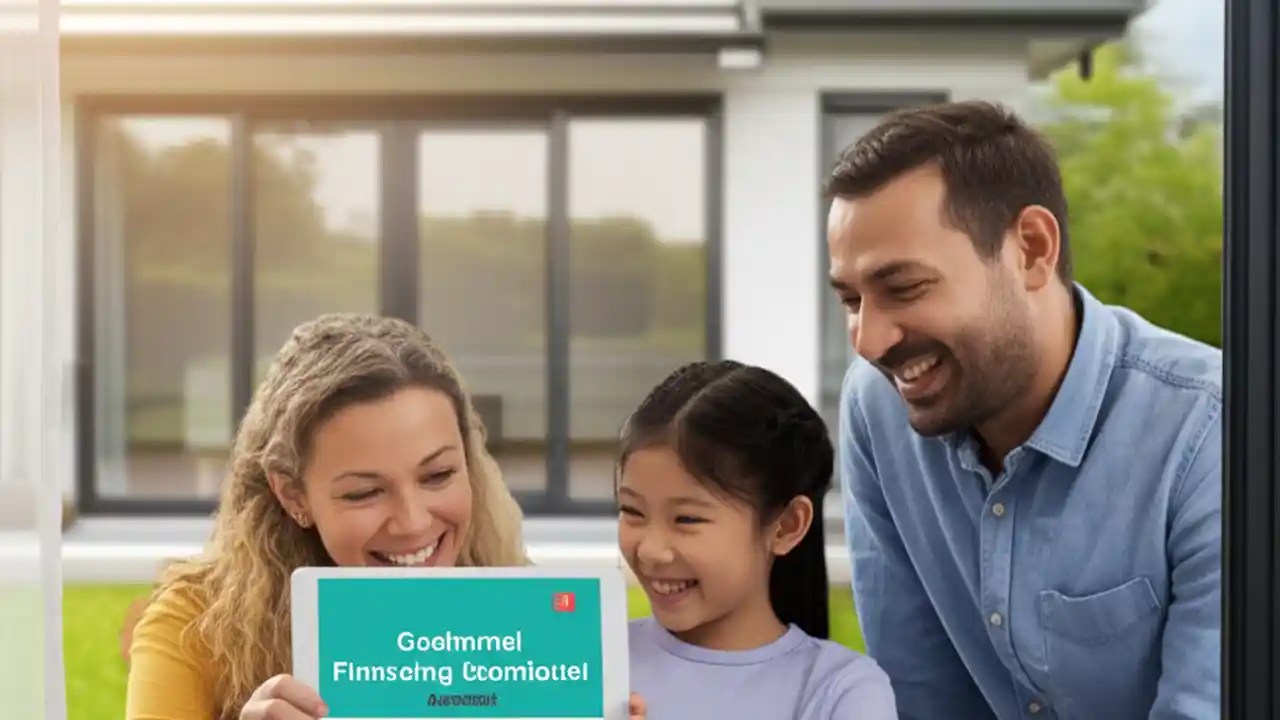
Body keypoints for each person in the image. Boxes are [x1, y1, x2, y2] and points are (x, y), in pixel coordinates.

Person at [825, 100, 1221, 719]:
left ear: (1031, 250)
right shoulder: (877, 410)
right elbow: (920, 695)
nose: (870, 341)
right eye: (851, 299)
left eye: (903, 289)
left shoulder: (1212, 434)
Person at [126, 314, 536, 720]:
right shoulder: (192, 628)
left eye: (438, 475)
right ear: (292, 495)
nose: (413, 522)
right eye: (365, 492)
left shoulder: (525, 613)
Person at [616, 359, 898, 719]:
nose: (651, 550)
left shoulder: (840, 690)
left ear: (786, 526)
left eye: (686, 518)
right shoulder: (583, 663)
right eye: (632, 511)